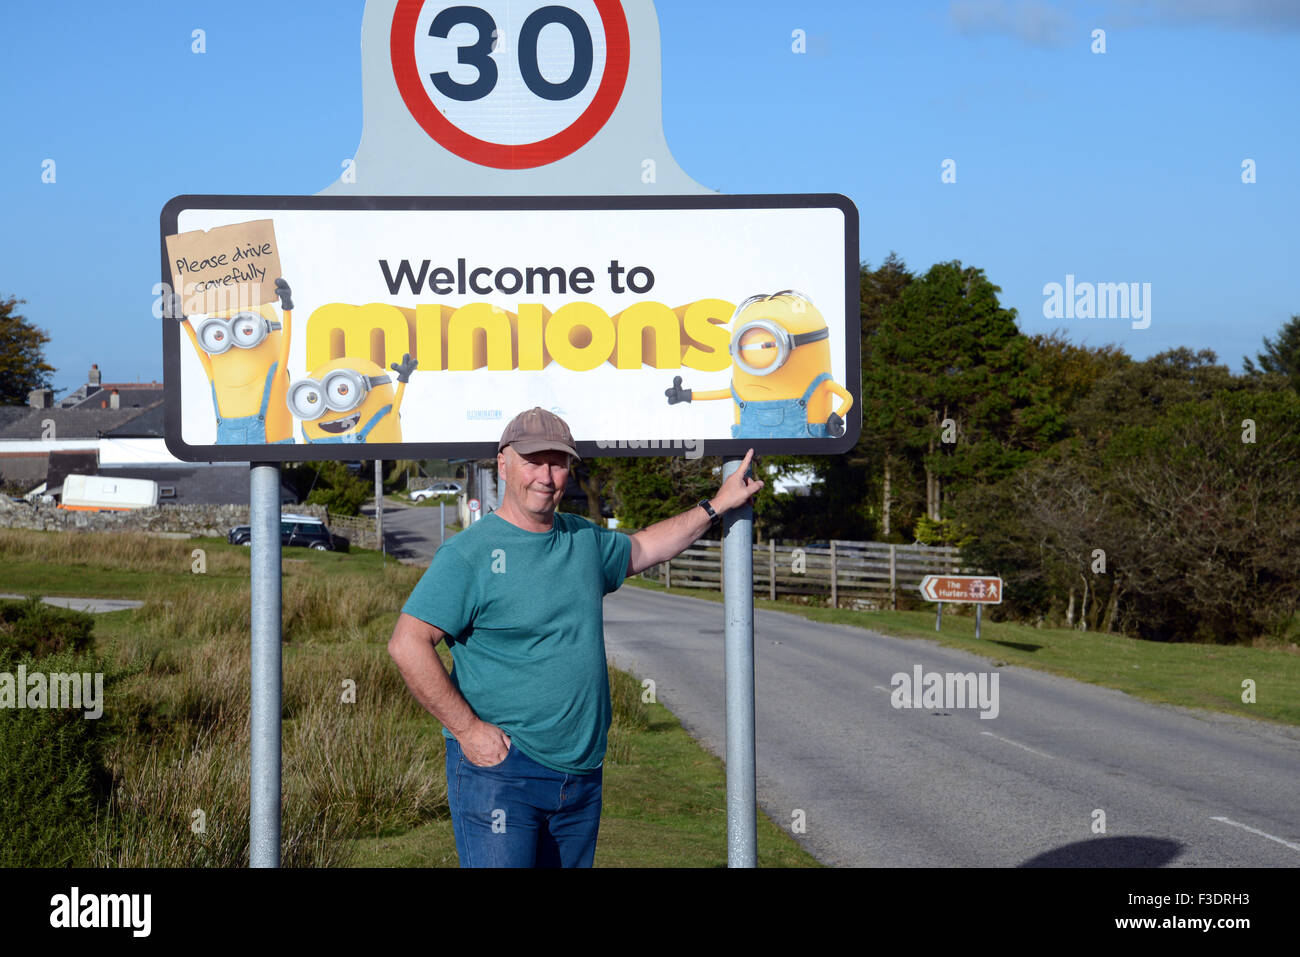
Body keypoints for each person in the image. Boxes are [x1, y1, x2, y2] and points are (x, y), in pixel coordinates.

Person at [387, 407, 764, 867]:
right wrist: (468, 731)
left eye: (558, 462)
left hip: (582, 777)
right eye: (533, 461)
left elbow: (645, 545)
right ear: (502, 464)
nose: (546, 476)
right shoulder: (470, 554)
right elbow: (407, 643)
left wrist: (716, 505)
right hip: (502, 774)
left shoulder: (582, 540)